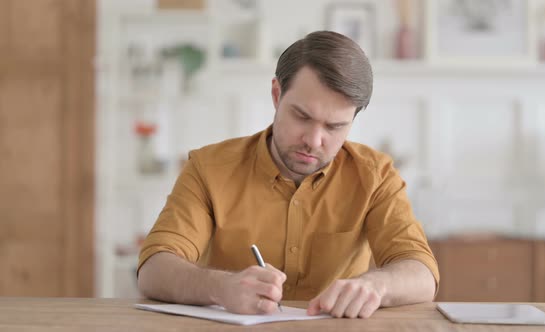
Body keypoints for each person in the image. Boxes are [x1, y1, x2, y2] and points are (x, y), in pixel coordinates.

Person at [137, 31, 439, 319]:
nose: (314, 140)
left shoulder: (376, 176)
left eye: (334, 127)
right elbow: (154, 270)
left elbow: (421, 272)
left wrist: (376, 286)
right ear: (276, 94)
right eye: (302, 116)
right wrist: (222, 288)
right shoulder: (209, 168)